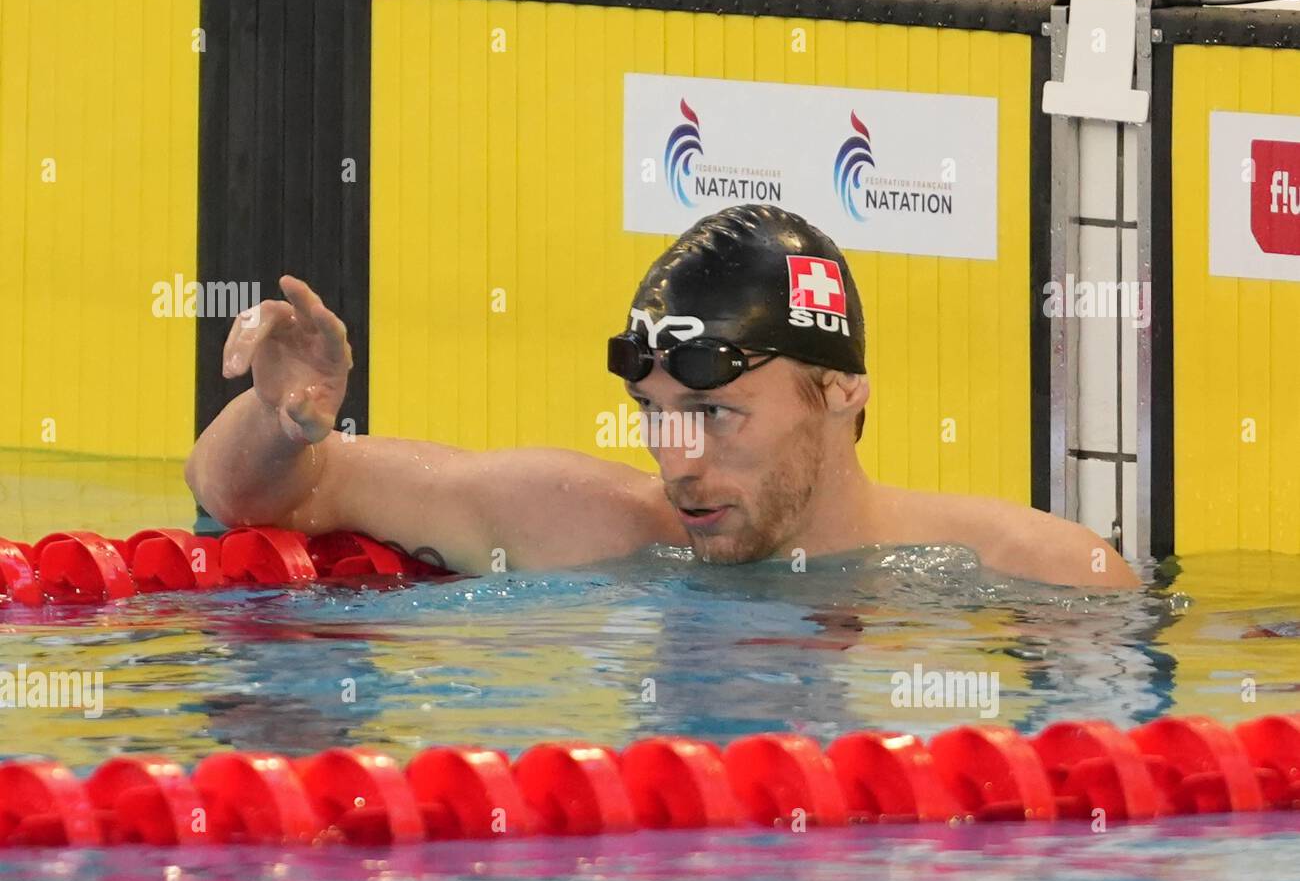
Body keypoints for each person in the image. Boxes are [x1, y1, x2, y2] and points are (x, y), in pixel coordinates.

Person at [186, 204, 1138, 588]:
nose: (678, 461)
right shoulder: (579, 523)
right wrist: (279, 426)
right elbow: (259, 496)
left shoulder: (1034, 572)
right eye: (656, 413)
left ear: (842, 392)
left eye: (718, 414)